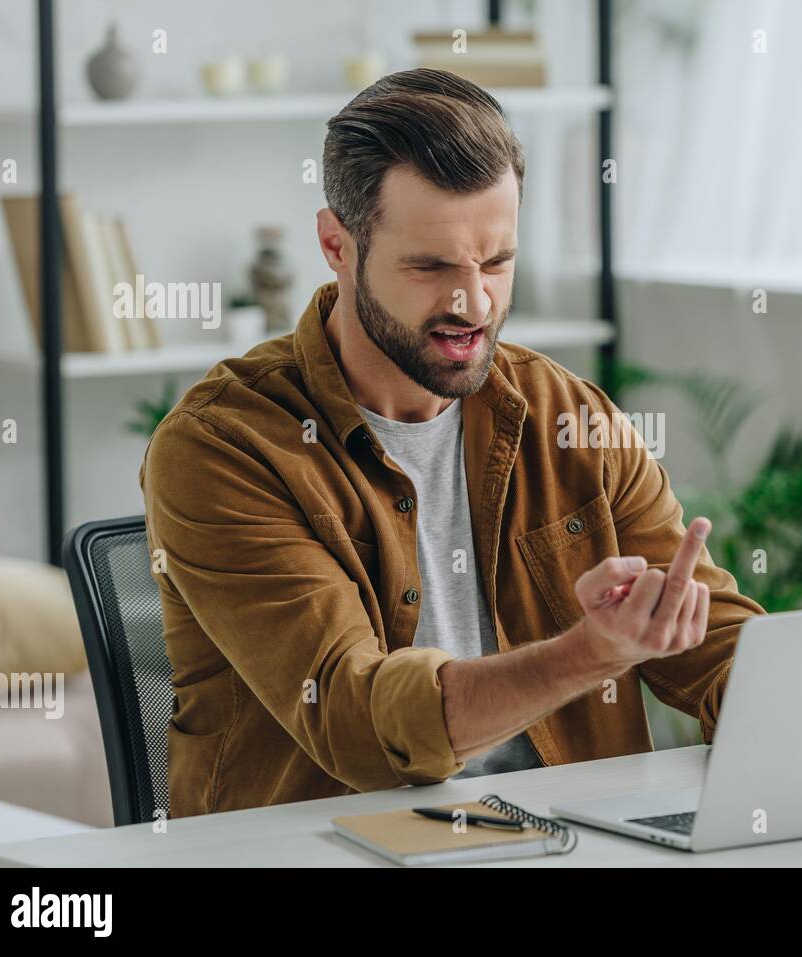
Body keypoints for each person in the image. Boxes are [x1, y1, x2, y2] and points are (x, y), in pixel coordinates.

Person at [140, 69, 764, 819]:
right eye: (430, 265)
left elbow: (714, 642)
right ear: (337, 245)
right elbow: (355, 721)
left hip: (573, 842)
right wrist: (591, 652)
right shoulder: (225, 447)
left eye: (497, 262)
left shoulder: (567, 416)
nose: (473, 303)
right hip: (326, 848)